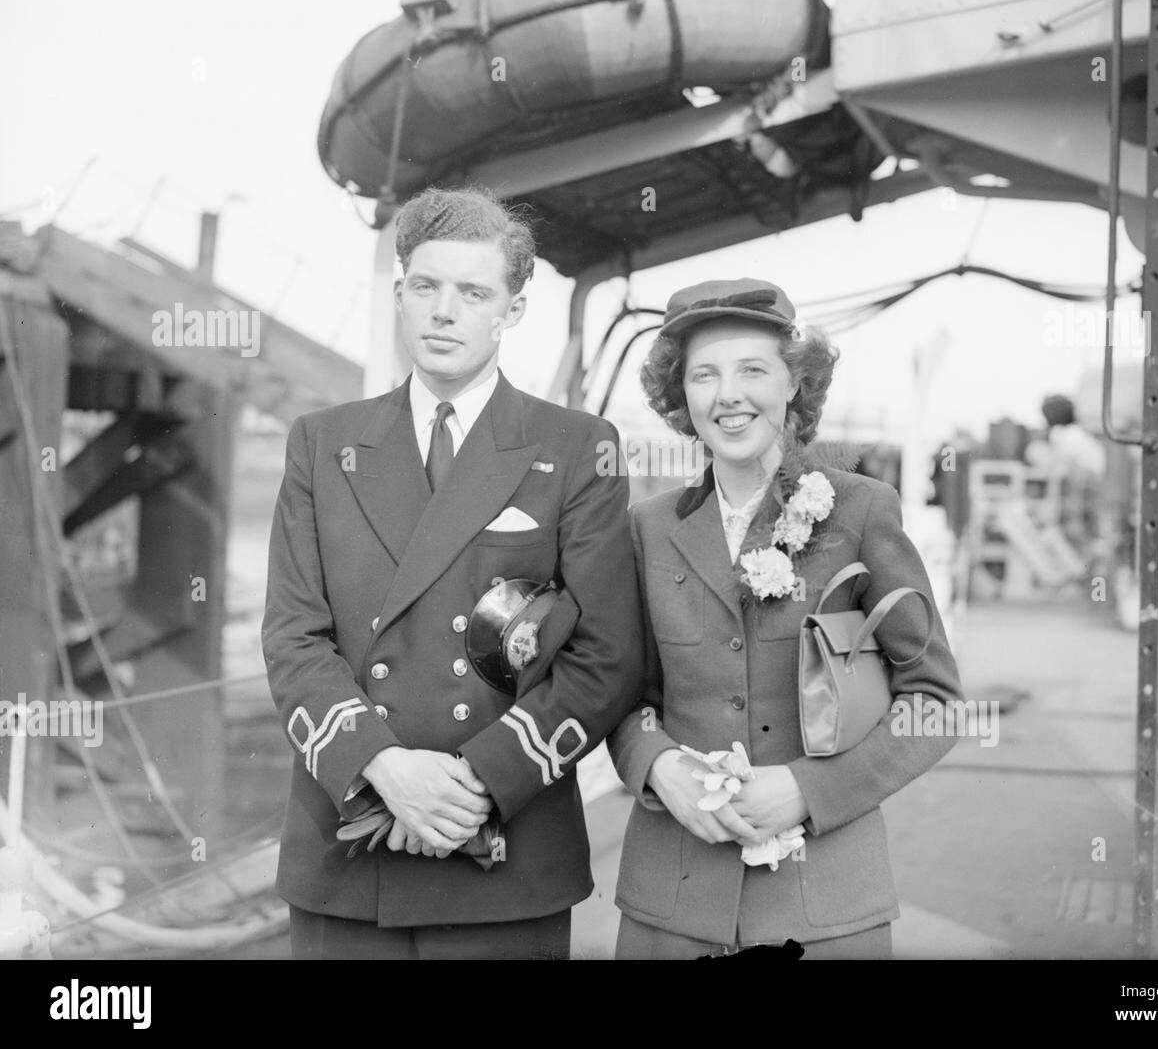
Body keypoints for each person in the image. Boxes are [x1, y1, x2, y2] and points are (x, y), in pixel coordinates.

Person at [262, 186, 642, 959]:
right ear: (400, 295)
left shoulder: (576, 447)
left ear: (513, 309)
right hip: (351, 845)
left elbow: (606, 656)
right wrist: (384, 769)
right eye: (426, 287)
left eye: (473, 293)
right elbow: (293, 637)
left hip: (503, 853)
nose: (444, 311)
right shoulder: (321, 444)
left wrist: (473, 784)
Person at [606, 278, 964, 958]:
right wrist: (657, 768)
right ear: (681, 394)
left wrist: (808, 789)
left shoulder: (861, 510)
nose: (728, 394)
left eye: (752, 370)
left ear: (794, 384)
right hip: (672, 903)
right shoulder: (646, 529)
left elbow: (935, 703)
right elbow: (621, 696)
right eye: (704, 374)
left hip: (822, 907)